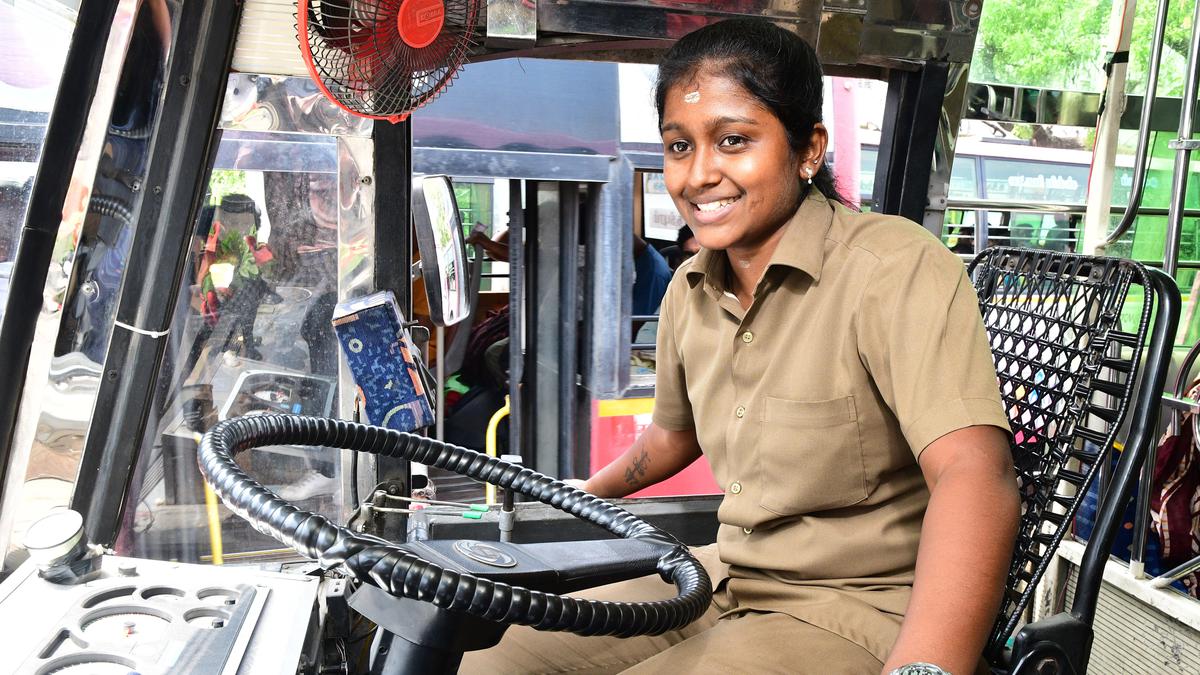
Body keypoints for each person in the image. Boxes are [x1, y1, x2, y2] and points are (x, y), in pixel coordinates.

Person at [462, 18, 1018, 675]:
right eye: (678, 146)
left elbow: (975, 474)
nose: (699, 174)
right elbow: (671, 437)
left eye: (733, 140)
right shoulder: (691, 291)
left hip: (857, 608)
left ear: (808, 150)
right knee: (492, 661)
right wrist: (578, 491)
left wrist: (924, 667)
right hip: (726, 575)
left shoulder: (892, 268)